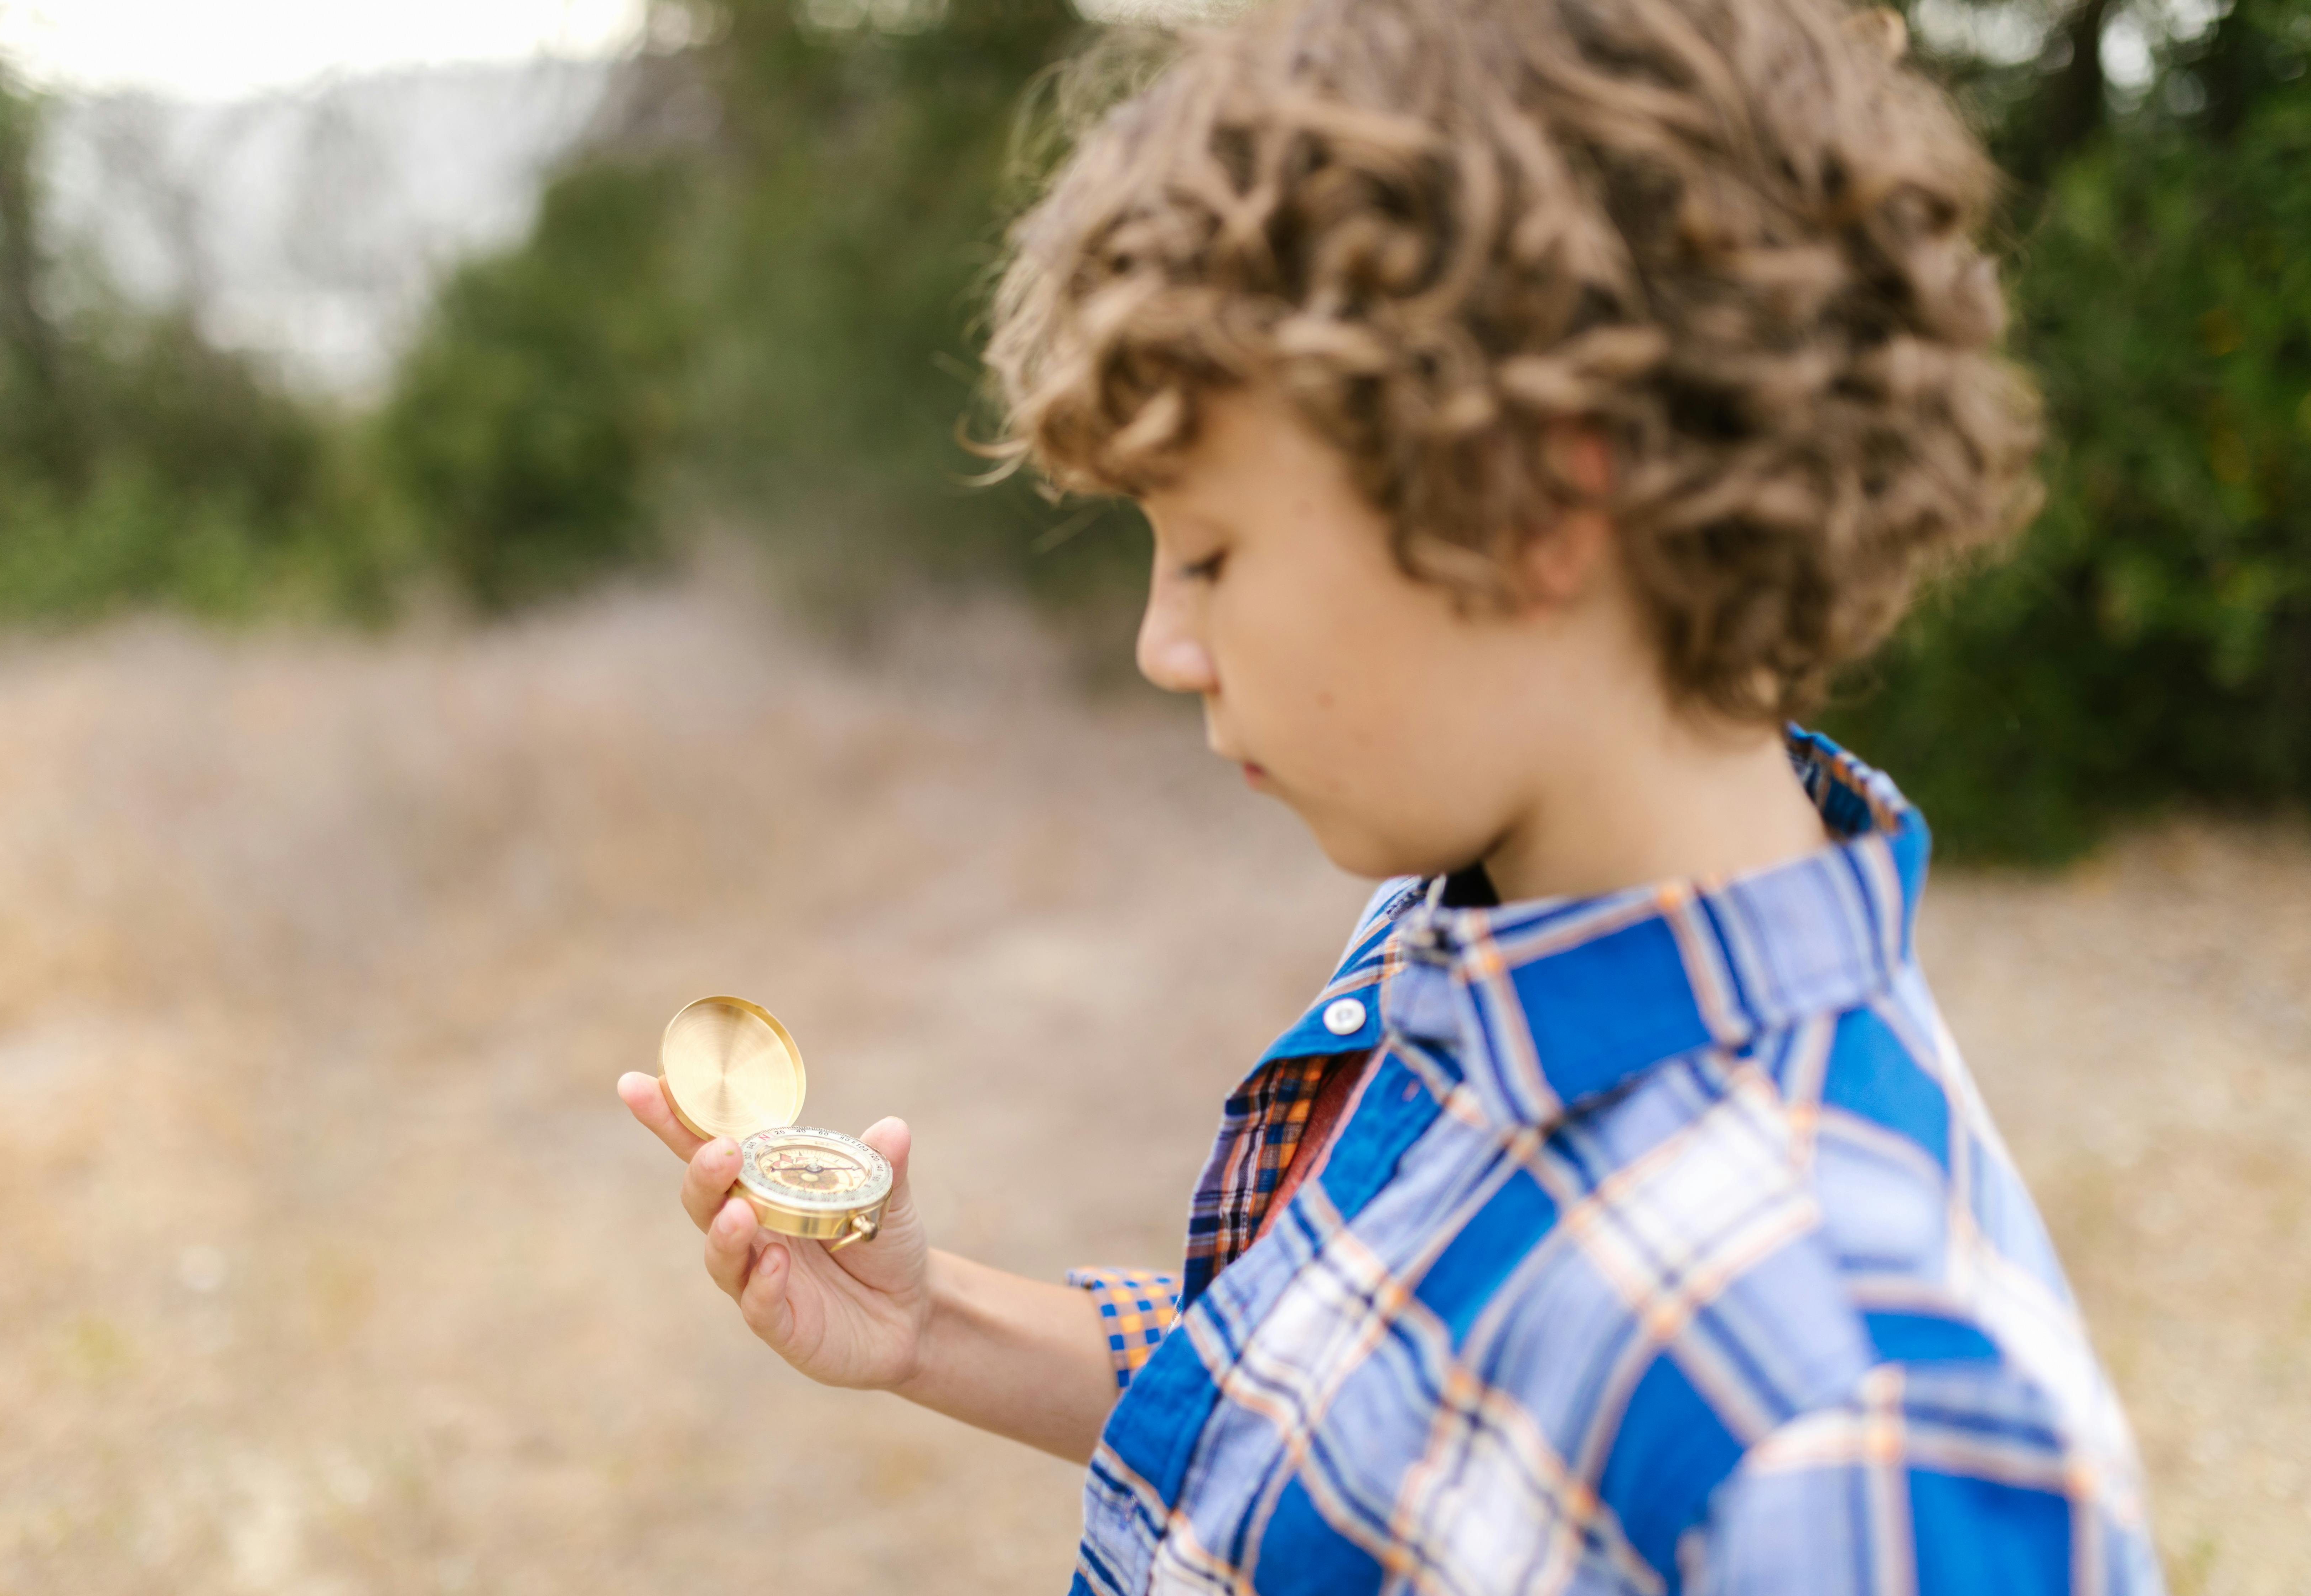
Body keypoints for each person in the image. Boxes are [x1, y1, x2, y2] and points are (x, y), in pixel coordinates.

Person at [616, 0, 2166, 1586]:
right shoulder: (1475, 928)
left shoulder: (1864, 1425)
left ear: (1539, 504)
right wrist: (933, 1320)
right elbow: (1347, 1412)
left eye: (1213, 551)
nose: (1164, 643)